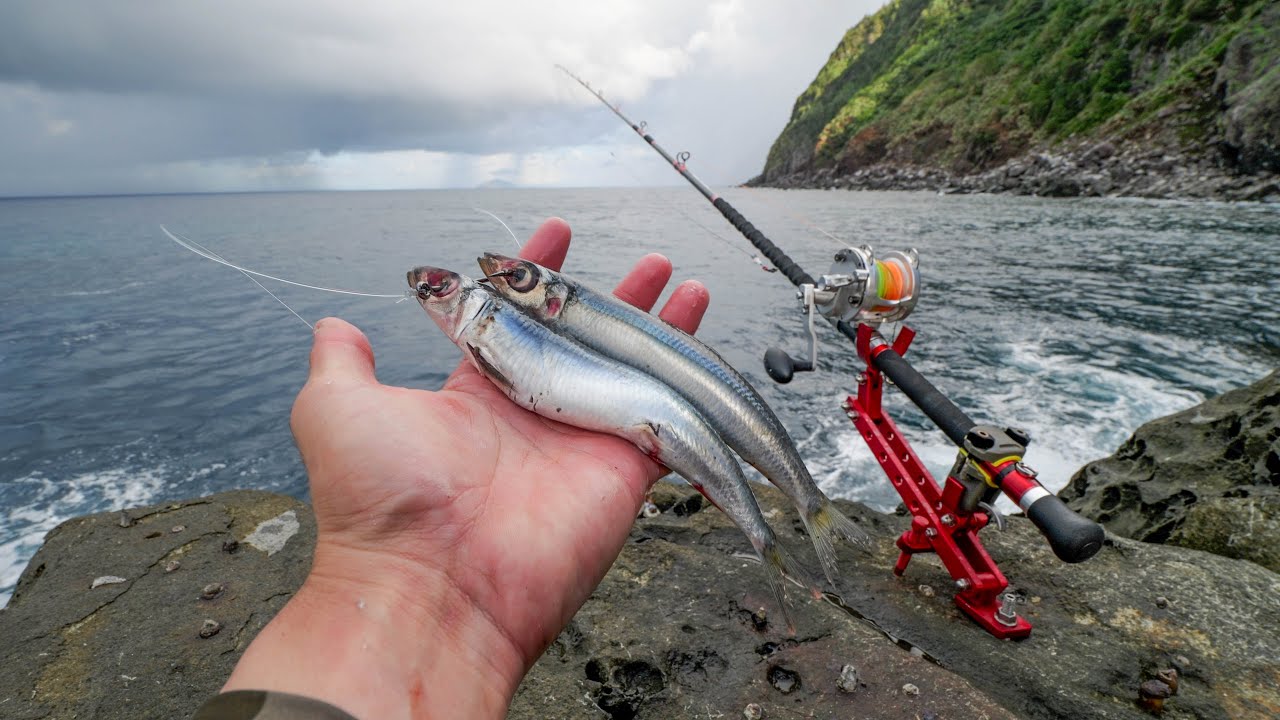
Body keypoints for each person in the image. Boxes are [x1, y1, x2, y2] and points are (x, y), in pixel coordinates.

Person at [193, 218, 712, 719]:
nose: (433, 290)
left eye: (438, 288)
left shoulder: (501, 312)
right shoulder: (489, 319)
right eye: (432, 290)